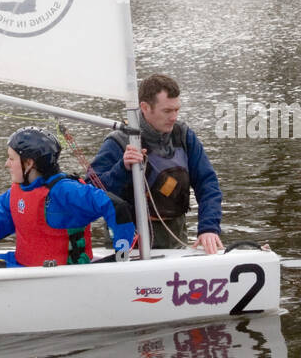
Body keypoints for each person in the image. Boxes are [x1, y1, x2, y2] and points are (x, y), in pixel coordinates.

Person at [0, 127, 135, 267]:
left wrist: (121, 255)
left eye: (11, 158)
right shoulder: (17, 192)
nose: (6, 164)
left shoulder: (66, 191)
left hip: (61, 276)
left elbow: (116, 207)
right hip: (23, 266)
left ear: (29, 163)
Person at [89, 74, 224, 253]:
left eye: (177, 110)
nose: (174, 117)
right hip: (129, 243)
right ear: (145, 107)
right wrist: (122, 169)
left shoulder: (184, 136)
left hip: (175, 238)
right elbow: (90, 191)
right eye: (167, 111)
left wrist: (208, 228)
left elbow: (208, 183)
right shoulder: (118, 142)